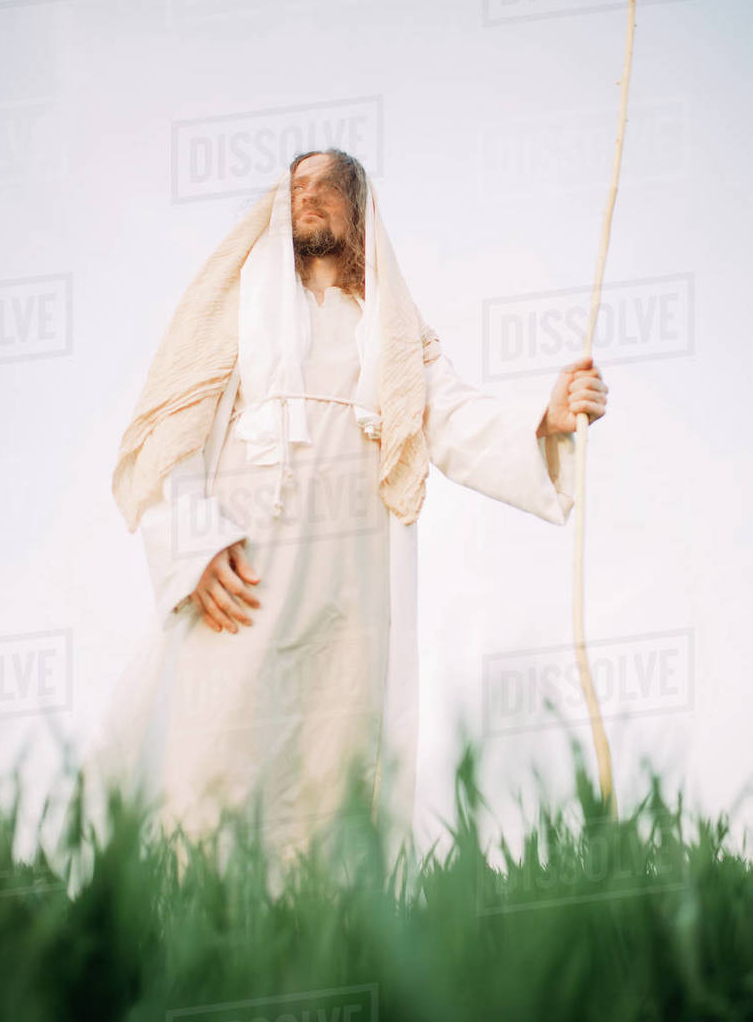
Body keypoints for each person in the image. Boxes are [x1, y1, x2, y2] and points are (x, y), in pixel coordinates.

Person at [95, 148, 607, 870]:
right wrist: (193, 544)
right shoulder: (235, 310)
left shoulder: (391, 332)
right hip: (242, 570)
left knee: (333, 763)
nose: (309, 197)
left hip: (350, 583)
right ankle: (195, 939)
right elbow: (171, 434)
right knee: (215, 742)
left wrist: (546, 417)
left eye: (330, 187)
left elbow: (452, 416)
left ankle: (329, 950)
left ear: (360, 215)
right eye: (297, 185)